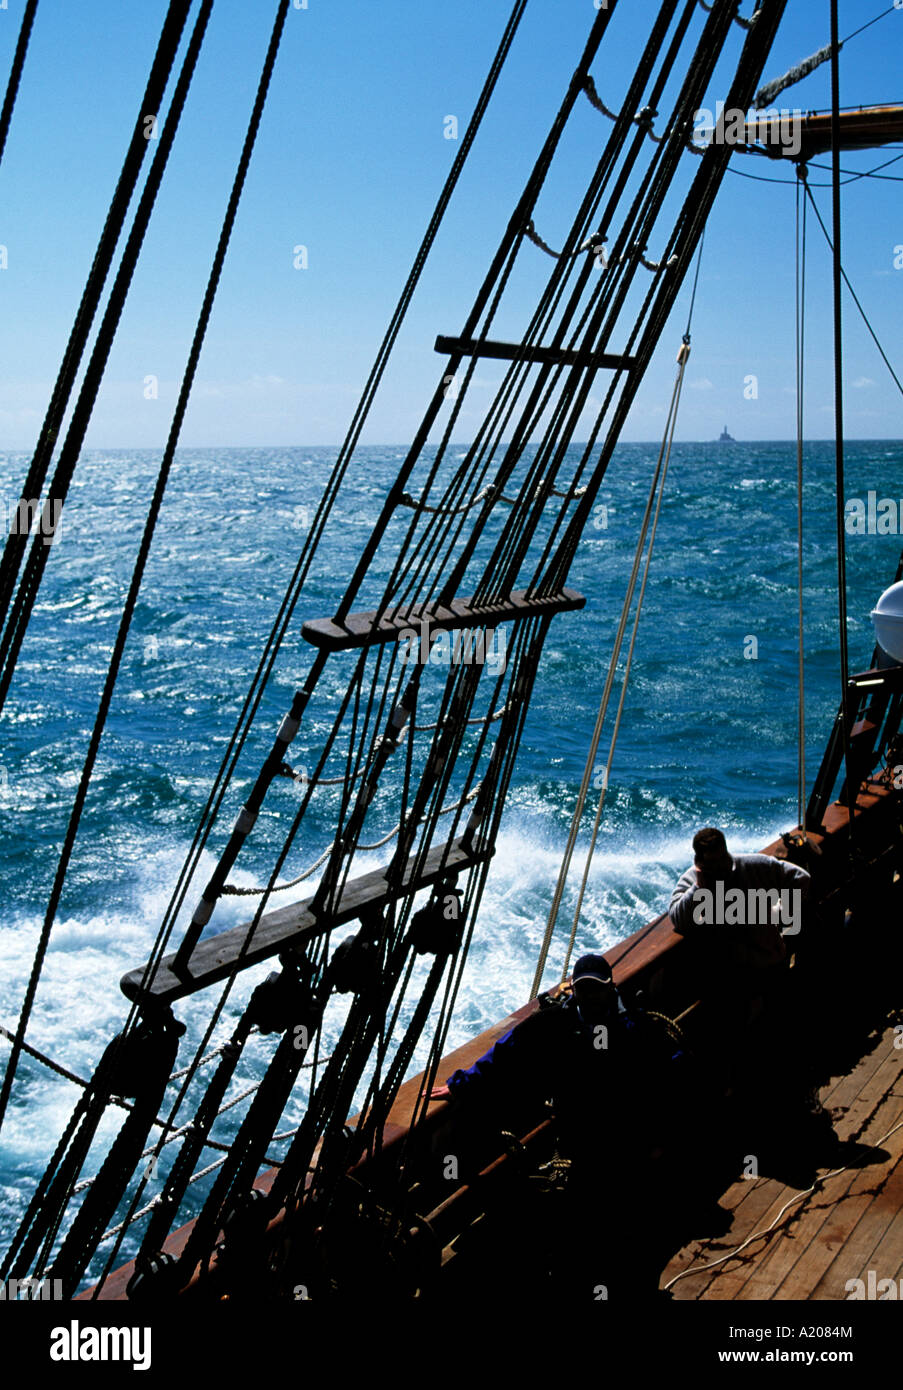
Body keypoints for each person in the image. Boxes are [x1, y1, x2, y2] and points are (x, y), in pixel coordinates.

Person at [430, 954, 687, 1296]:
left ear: (610, 989)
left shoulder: (635, 1027)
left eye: (597, 989)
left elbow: (670, 1075)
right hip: (580, 1136)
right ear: (574, 991)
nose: (590, 996)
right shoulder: (556, 1023)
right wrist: (463, 1082)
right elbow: (507, 1051)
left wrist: (660, 1135)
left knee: (622, 1222)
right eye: (584, 989)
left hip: (626, 1137)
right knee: (585, 1224)